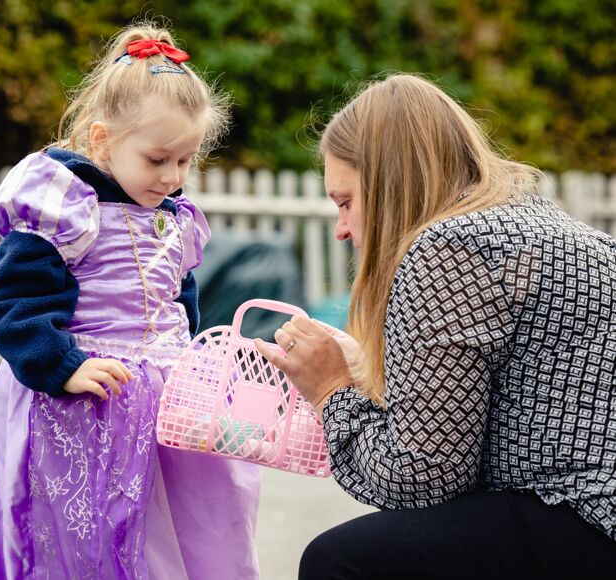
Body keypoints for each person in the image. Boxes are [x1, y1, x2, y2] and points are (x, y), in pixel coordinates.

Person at [255, 74, 616, 578]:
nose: (341, 228)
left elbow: (422, 477)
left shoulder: (450, 248)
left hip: (583, 514)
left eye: (345, 202)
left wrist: (330, 388)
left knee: (339, 560)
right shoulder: (559, 231)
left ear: (389, 186)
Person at [0, 21, 261, 580]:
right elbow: (12, 301)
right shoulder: (64, 204)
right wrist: (61, 366)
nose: (173, 177)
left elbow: (180, 306)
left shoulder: (172, 218)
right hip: (86, 399)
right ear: (103, 139)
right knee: (91, 539)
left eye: (185, 161)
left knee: (177, 531)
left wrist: (198, 371)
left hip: (163, 406)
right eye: (157, 160)